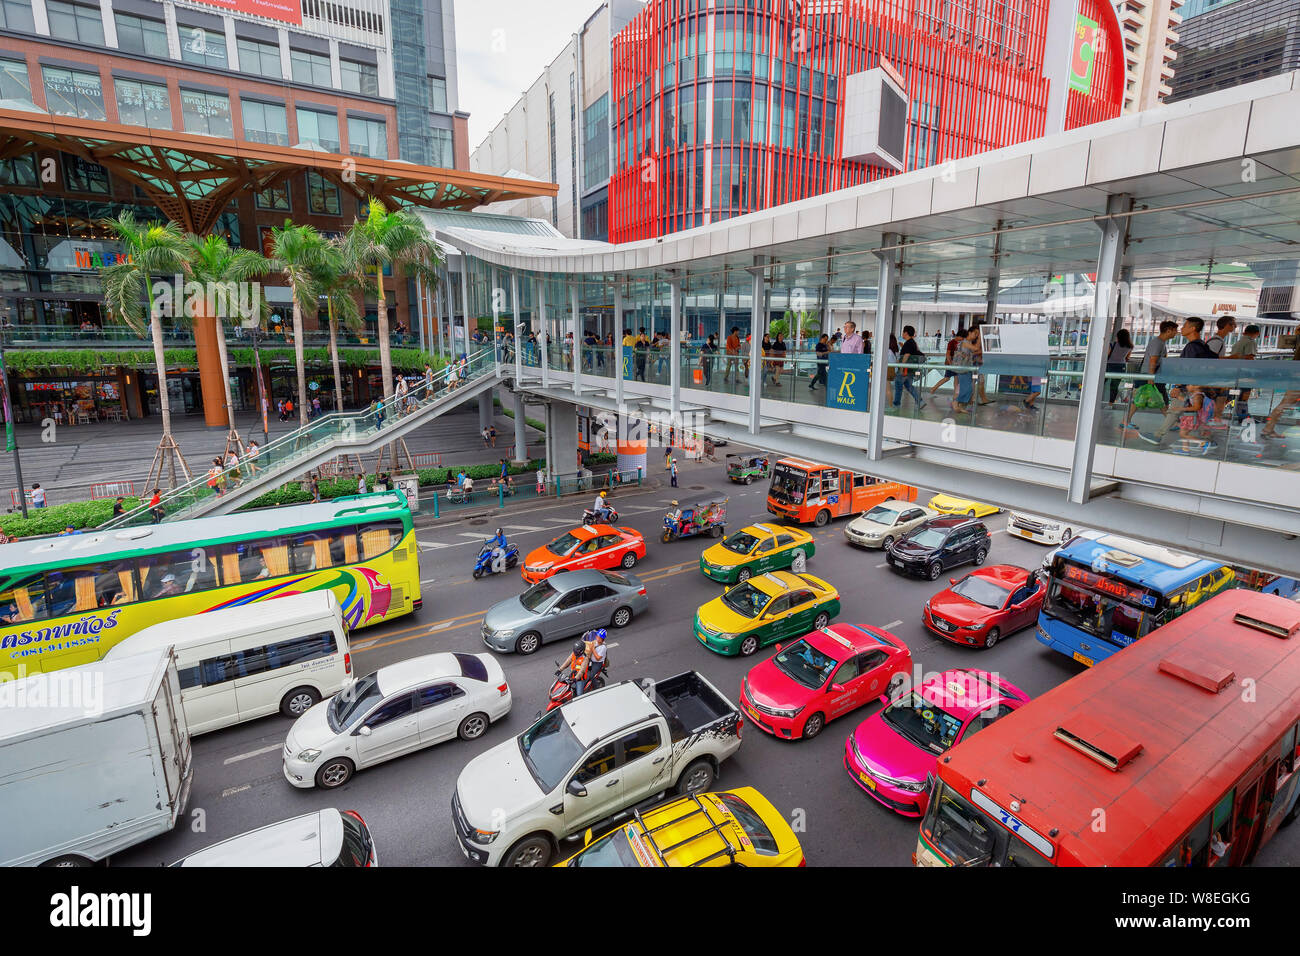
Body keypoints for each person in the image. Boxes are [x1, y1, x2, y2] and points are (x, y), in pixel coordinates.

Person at [1229, 324, 1260, 424]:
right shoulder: (1250, 342)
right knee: (1245, 395)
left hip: (1234, 371)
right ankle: (1243, 417)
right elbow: (1250, 357)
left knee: (1237, 394)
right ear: (1256, 333)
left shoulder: (1238, 342)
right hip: (1245, 372)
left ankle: (1240, 415)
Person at [893, 325, 927, 411]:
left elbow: (906, 355)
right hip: (910, 369)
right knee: (908, 385)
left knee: (898, 385)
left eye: (903, 332)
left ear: (906, 333)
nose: (902, 334)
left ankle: (896, 404)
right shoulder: (912, 342)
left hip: (905, 369)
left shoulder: (908, 343)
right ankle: (920, 401)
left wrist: (901, 368)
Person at [952, 326, 980, 414]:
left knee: (968, 388)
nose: (976, 335)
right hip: (962, 369)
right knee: (967, 388)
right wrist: (980, 338)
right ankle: (955, 402)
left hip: (967, 368)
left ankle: (960, 405)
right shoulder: (965, 342)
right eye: (975, 333)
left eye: (977, 334)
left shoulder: (968, 342)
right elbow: (976, 348)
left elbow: (973, 352)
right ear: (970, 332)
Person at [1106, 328, 1134, 404]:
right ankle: (1111, 403)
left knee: (1101, 382)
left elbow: (1107, 355)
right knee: (1114, 386)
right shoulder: (1130, 346)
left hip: (1109, 366)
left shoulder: (1112, 344)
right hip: (1121, 367)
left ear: (1118, 336)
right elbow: (1127, 358)